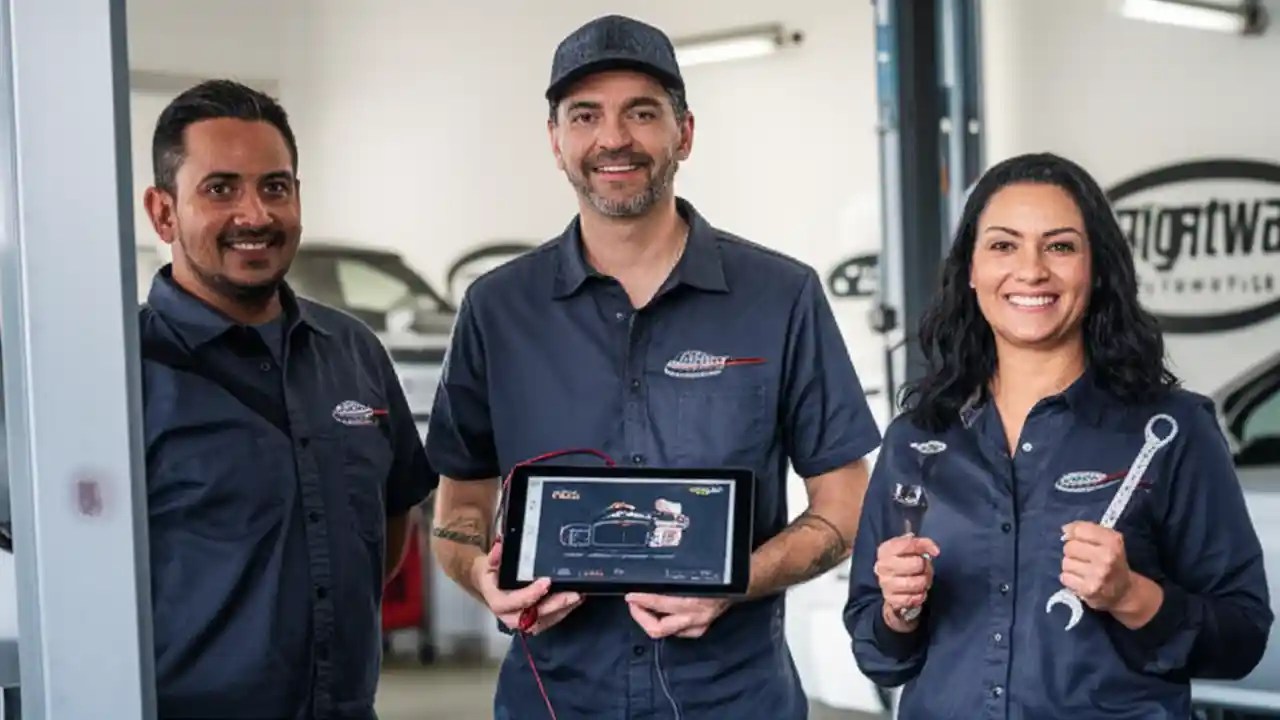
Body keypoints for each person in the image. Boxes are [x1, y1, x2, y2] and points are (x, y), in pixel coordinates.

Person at [426, 13, 882, 720]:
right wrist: (484, 578)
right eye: (586, 116)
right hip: (554, 702)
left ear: (685, 134)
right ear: (556, 141)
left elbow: (846, 505)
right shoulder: (495, 310)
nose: (613, 139)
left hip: (735, 700)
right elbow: (459, 509)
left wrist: (737, 580)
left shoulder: (781, 297)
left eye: (642, 112)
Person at [844, 152, 1273, 719]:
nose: (1031, 270)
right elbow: (879, 656)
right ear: (970, 270)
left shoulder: (1172, 432)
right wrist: (898, 611)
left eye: (1060, 245)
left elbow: (1242, 638)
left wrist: (1131, 596)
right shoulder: (917, 439)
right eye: (1003, 245)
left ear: (1096, 269)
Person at [139, 79, 435, 719]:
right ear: (163, 212)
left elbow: (387, 530)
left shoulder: (353, 351)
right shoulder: (119, 373)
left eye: (275, 187)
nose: (255, 214)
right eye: (220, 189)